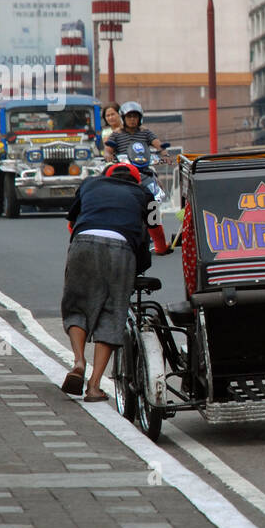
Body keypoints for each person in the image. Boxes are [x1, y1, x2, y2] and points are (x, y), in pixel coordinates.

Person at [59, 162, 156, 401]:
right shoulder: (144, 193)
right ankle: (94, 386)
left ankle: (79, 361)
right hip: (121, 248)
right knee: (113, 313)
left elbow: (72, 223)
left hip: (83, 241)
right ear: (135, 180)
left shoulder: (89, 184)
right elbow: (155, 229)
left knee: (77, 307)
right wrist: (157, 252)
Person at [104, 101, 169, 162]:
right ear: (123, 118)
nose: (132, 119)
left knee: (153, 172)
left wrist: (165, 155)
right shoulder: (116, 133)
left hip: (144, 166)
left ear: (139, 118)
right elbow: (107, 150)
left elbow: (159, 146)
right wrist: (108, 155)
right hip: (123, 168)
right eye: (129, 116)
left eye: (135, 116)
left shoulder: (145, 132)